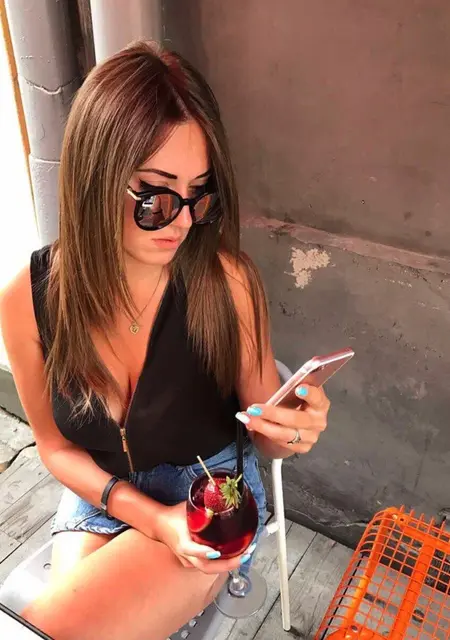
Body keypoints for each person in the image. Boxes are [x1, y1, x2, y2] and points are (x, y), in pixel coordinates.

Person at [0, 41, 330, 640]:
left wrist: (289, 431)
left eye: (200, 195)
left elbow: (264, 434)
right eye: (155, 196)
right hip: (102, 493)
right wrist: (149, 518)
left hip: (208, 496)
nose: (182, 222)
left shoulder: (226, 284)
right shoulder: (28, 298)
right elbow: (55, 448)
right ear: (94, 179)